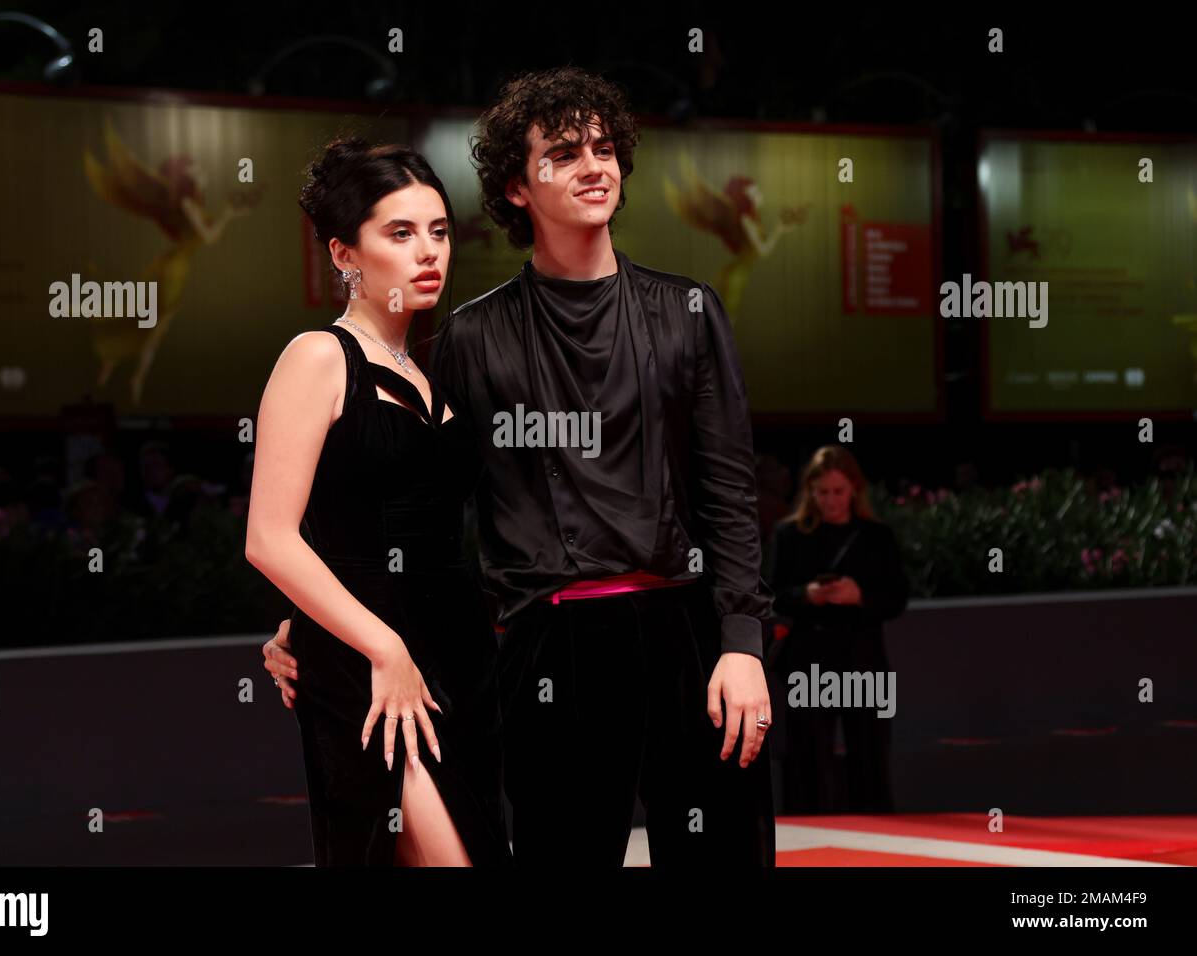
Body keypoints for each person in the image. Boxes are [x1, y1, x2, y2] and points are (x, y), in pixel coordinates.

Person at [264, 66, 776, 866]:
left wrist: (743, 640)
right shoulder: (470, 336)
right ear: (514, 187)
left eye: (605, 148)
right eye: (565, 153)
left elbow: (731, 493)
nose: (594, 166)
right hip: (549, 648)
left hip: (691, 631)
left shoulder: (687, 311)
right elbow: (422, 493)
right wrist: (319, 618)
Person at [246, 137, 510, 866]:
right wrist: (377, 644)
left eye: (438, 231)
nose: (428, 252)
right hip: (373, 667)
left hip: (460, 659)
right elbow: (269, 537)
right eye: (399, 233)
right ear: (344, 255)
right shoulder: (317, 358)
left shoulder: (438, 371)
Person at [762, 445, 909, 814]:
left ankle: (878, 840)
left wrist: (859, 595)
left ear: (854, 490)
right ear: (809, 491)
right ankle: (805, 842)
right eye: (823, 491)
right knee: (805, 761)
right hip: (808, 662)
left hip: (863, 660)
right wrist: (807, 595)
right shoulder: (789, 535)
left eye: (838, 491)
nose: (830, 500)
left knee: (870, 757)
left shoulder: (876, 536)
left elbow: (896, 598)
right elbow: (770, 594)